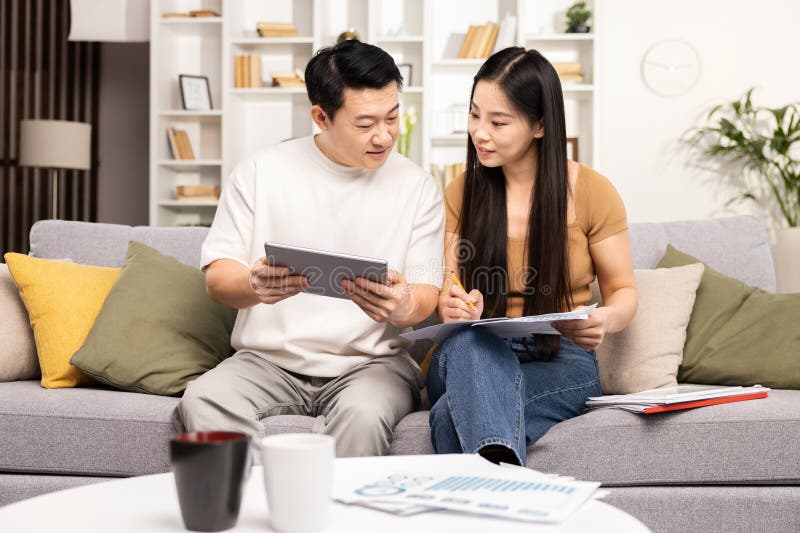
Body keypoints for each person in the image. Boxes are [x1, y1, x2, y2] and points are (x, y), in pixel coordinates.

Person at [176, 40, 444, 458]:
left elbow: (427, 295)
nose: (384, 135)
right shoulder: (260, 172)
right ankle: (256, 514)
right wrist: (253, 285)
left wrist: (402, 306)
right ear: (321, 117)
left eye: (392, 117)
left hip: (371, 366)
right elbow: (217, 279)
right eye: (365, 123)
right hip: (267, 363)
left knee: (364, 413)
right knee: (203, 399)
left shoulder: (418, 187)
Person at [428, 47, 638, 466]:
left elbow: (622, 290)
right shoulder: (461, 192)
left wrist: (605, 319)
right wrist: (448, 301)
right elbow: (444, 281)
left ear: (540, 124)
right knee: (470, 345)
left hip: (560, 355)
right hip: (470, 351)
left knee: (448, 418)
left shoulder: (592, 191)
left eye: (498, 122)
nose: (479, 133)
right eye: (474, 115)